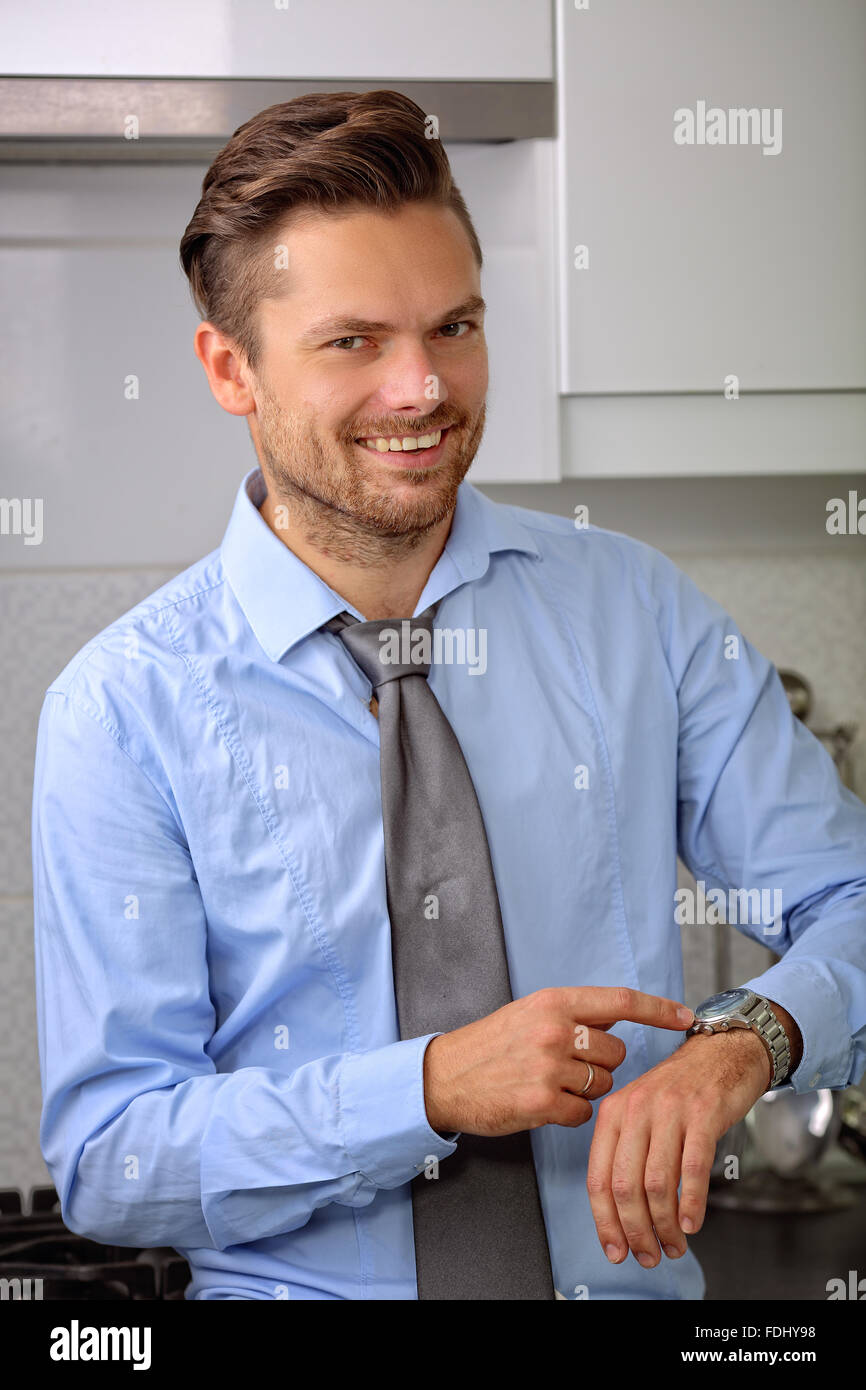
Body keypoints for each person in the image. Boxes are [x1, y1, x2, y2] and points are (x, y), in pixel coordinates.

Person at [32, 89, 866, 1301]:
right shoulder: (121, 710)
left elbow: (849, 898)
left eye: (454, 326)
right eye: (353, 340)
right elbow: (112, 1159)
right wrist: (420, 1091)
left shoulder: (634, 609)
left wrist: (747, 1039)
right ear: (230, 368)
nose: (423, 387)